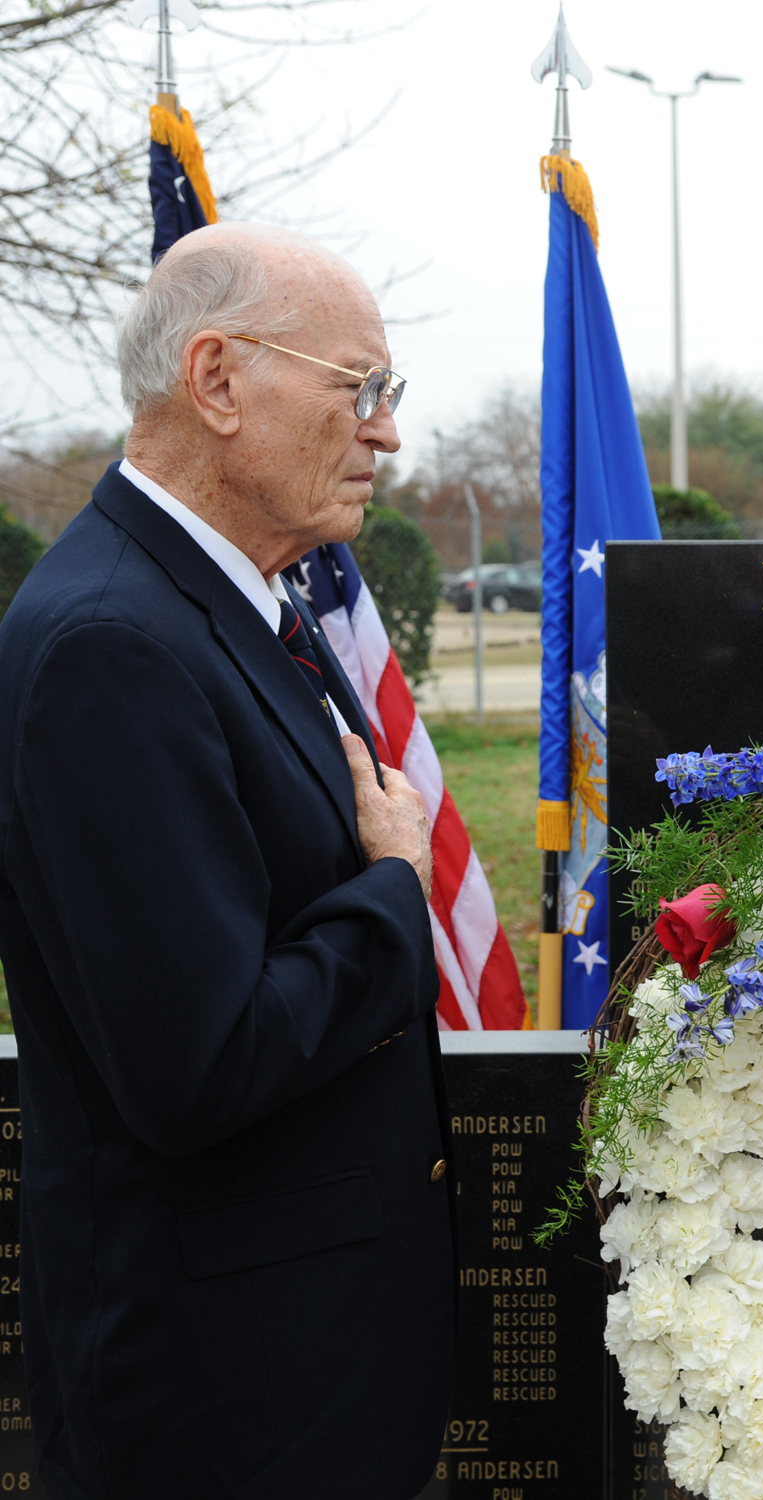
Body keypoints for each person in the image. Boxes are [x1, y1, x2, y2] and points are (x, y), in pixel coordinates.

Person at [0, 223, 452, 1498]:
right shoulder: (110, 644)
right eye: (358, 389)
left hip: (304, 1381)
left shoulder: (244, 600)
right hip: (224, 1415)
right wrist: (394, 895)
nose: (386, 433)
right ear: (216, 380)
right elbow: (200, 1066)